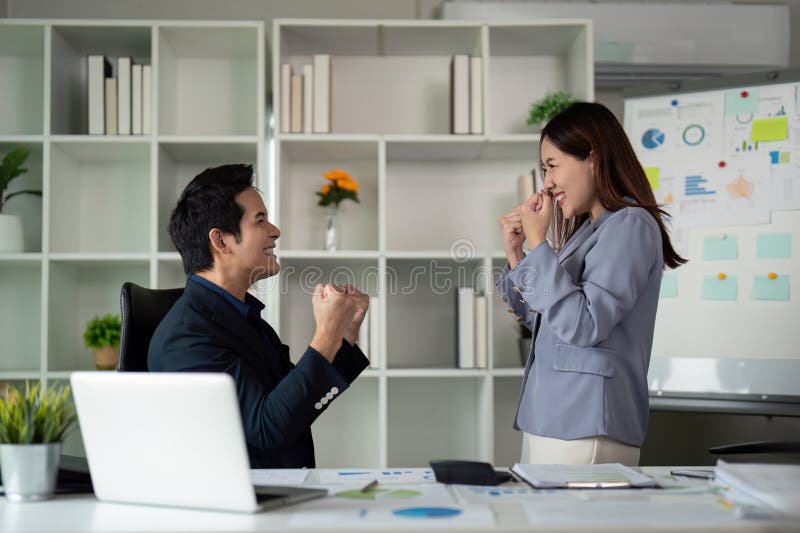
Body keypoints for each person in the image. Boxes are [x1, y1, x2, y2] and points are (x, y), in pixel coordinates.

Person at [496, 102, 686, 465]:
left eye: (552, 166)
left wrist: (539, 245)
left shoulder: (630, 225)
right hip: (551, 417)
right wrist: (516, 255)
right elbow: (544, 319)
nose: (547, 183)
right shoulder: (590, 231)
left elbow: (584, 325)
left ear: (593, 158)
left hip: (587, 424)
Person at [149, 164, 370, 468]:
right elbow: (268, 428)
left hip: (281, 495)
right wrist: (326, 332)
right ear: (221, 241)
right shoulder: (187, 337)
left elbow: (291, 405)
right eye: (261, 220)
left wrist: (343, 334)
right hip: (244, 506)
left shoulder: (241, 315)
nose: (275, 231)